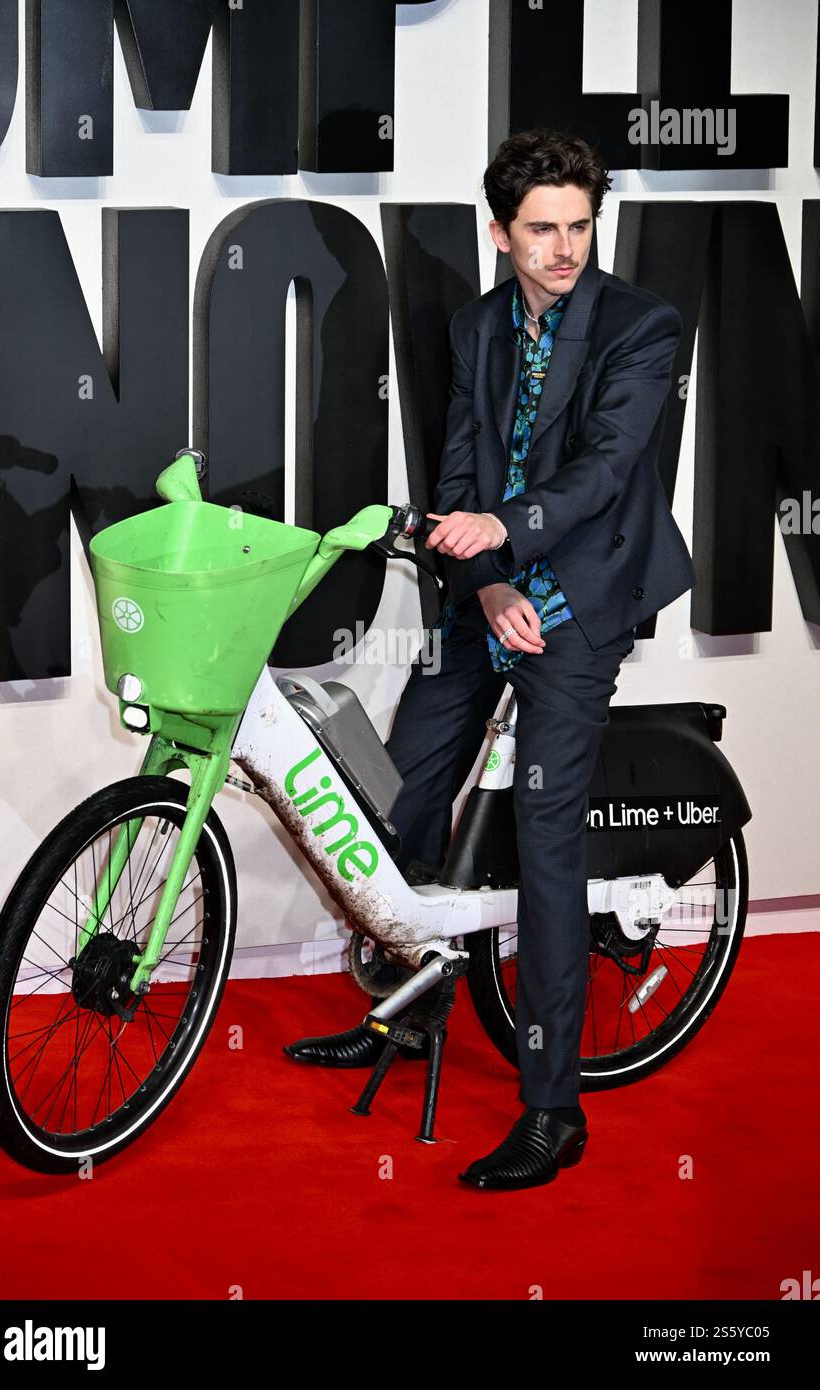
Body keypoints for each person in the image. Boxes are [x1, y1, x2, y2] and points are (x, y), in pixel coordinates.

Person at [285, 128, 696, 1191]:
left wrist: (506, 534)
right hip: (491, 587)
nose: (564, 248)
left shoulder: (640, 325)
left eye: (578, 226)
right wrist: (490, 577)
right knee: (403, 786)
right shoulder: (475, 324)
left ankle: (552, 1109)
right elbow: (463, 457)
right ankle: (411, 1014)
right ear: (499, 232)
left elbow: (607, 469)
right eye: (541, 230)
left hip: (589, 582)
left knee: (543, 832)